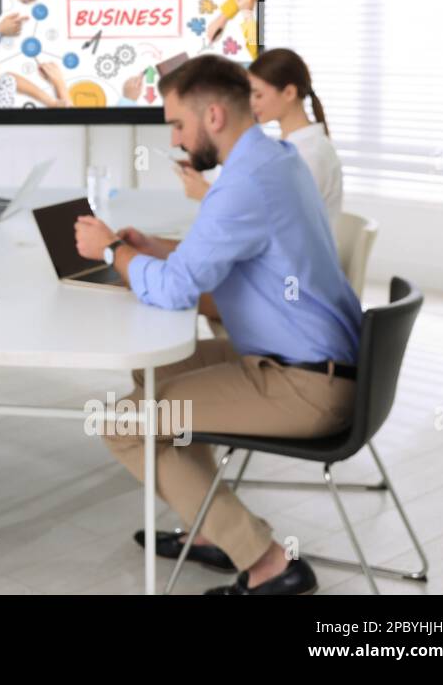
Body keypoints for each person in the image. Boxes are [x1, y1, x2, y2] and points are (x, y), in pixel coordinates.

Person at [73, 54, 363, 595]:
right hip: (310, 362)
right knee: (157, 374)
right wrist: (154, 249)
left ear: (212, 116)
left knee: (121, 423)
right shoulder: (274, 160)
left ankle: (270, 562)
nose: (177, 141)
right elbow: (221, 255)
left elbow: (179, 289)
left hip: (305, 385)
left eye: (178, 125)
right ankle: (211, 531)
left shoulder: (242, 185)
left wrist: (111, 248)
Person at [176, 48, 342, 222]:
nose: (251, 103)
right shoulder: (291, 147)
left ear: (289, 93)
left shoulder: (310, 155)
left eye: (258, 95)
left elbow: (273, 221)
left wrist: (206, 194)